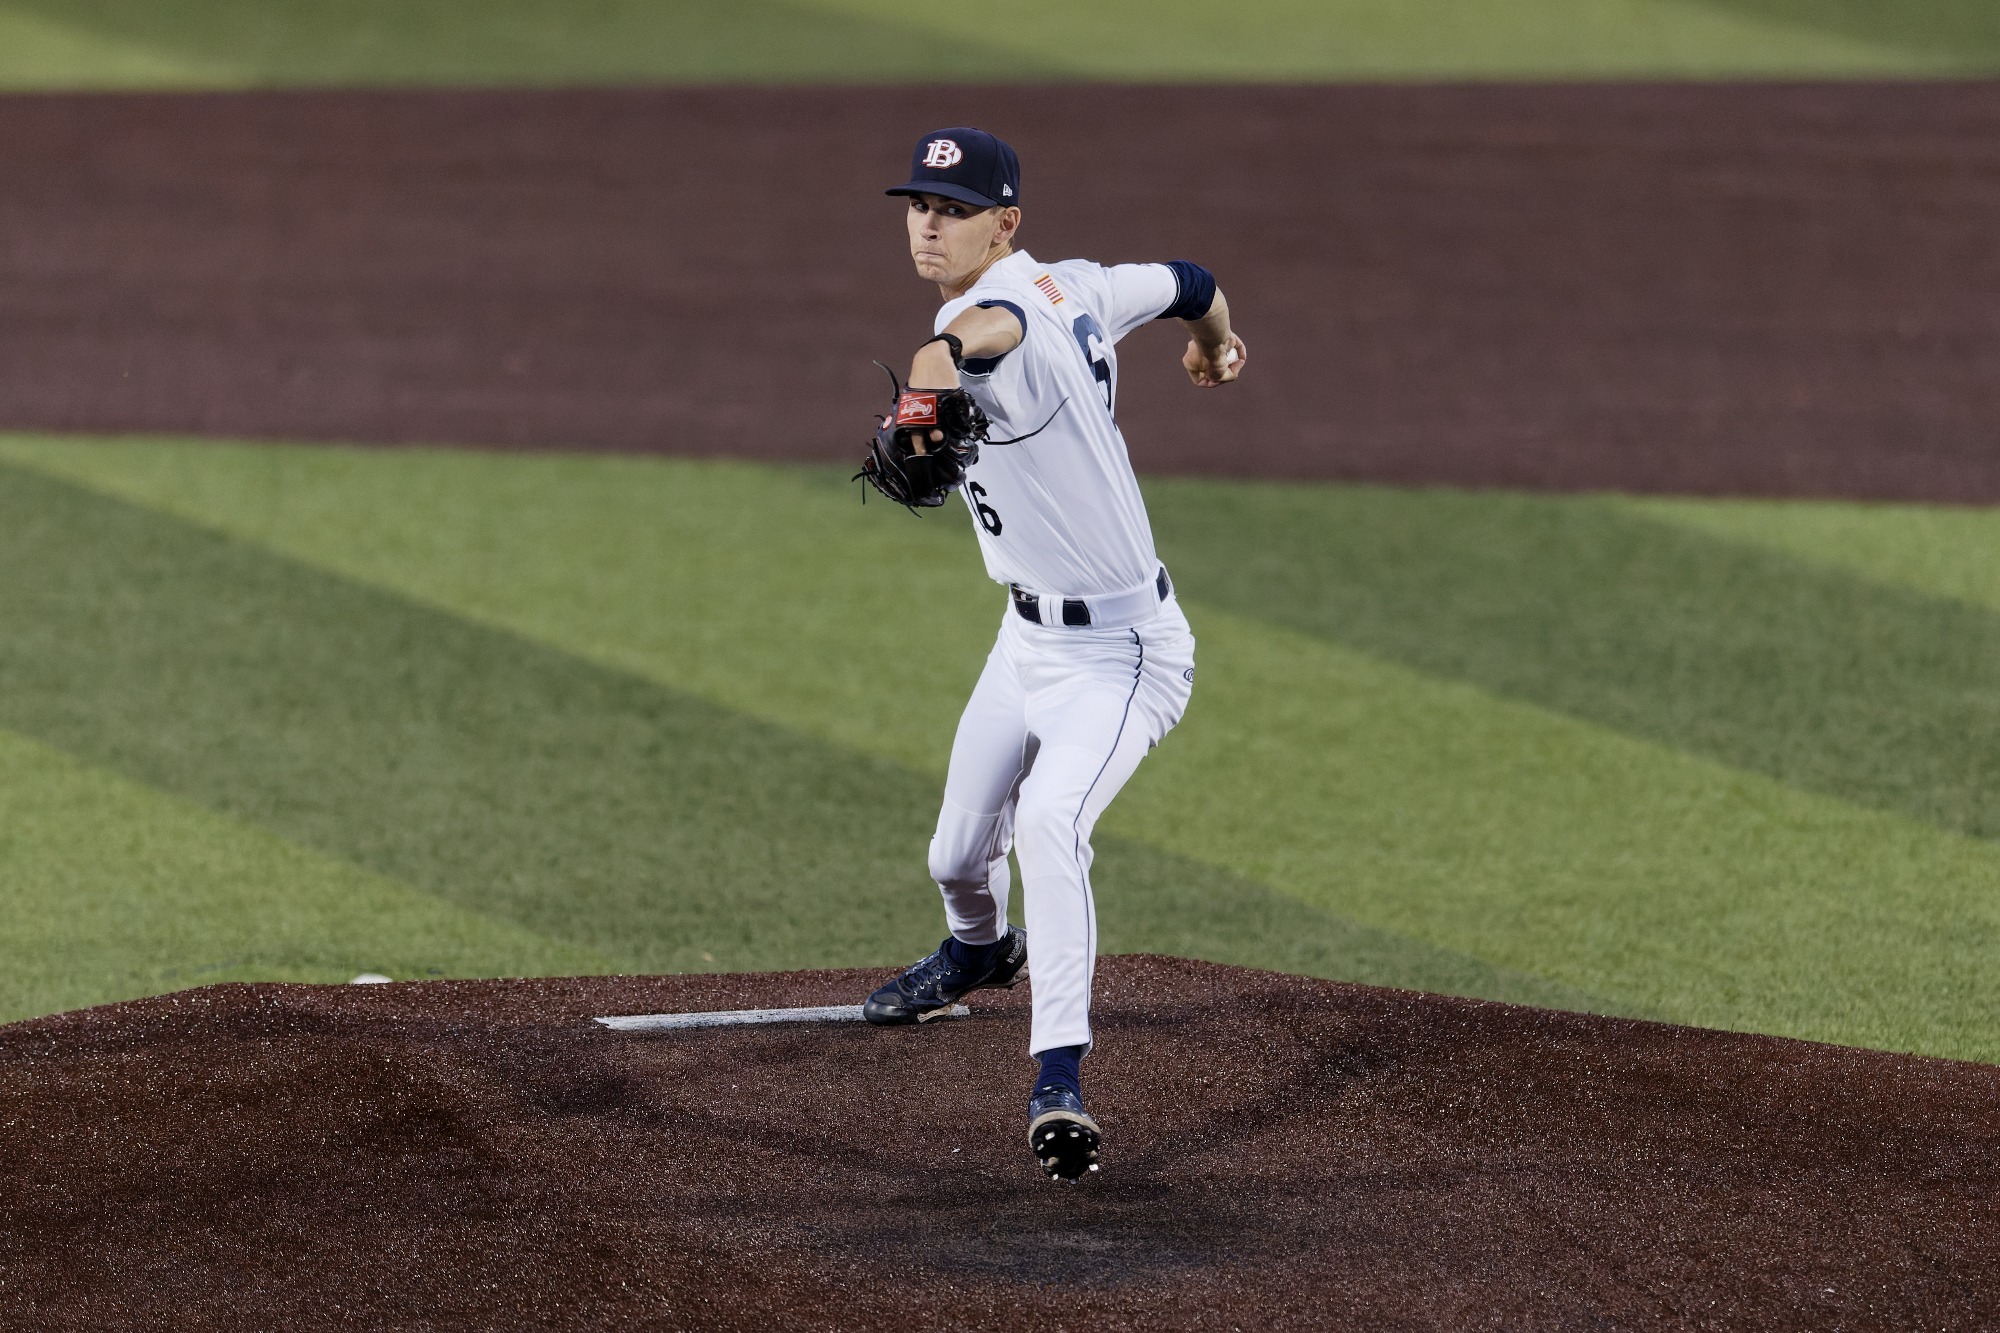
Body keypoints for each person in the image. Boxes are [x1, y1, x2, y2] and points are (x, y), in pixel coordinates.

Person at [858, 126, 1247, 1181]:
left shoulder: (1000, 312)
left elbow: (967, 342)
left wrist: (919, 390)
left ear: (1005, 221)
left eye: (951, 208)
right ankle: (978, 952)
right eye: (918, 205)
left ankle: (1057, 1076)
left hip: (1125, 654)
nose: (928, 224)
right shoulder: (1080, 285)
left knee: (1047, 821)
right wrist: (1213, 340)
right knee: (952, 860)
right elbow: (1188, 278)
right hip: (1023, 637)